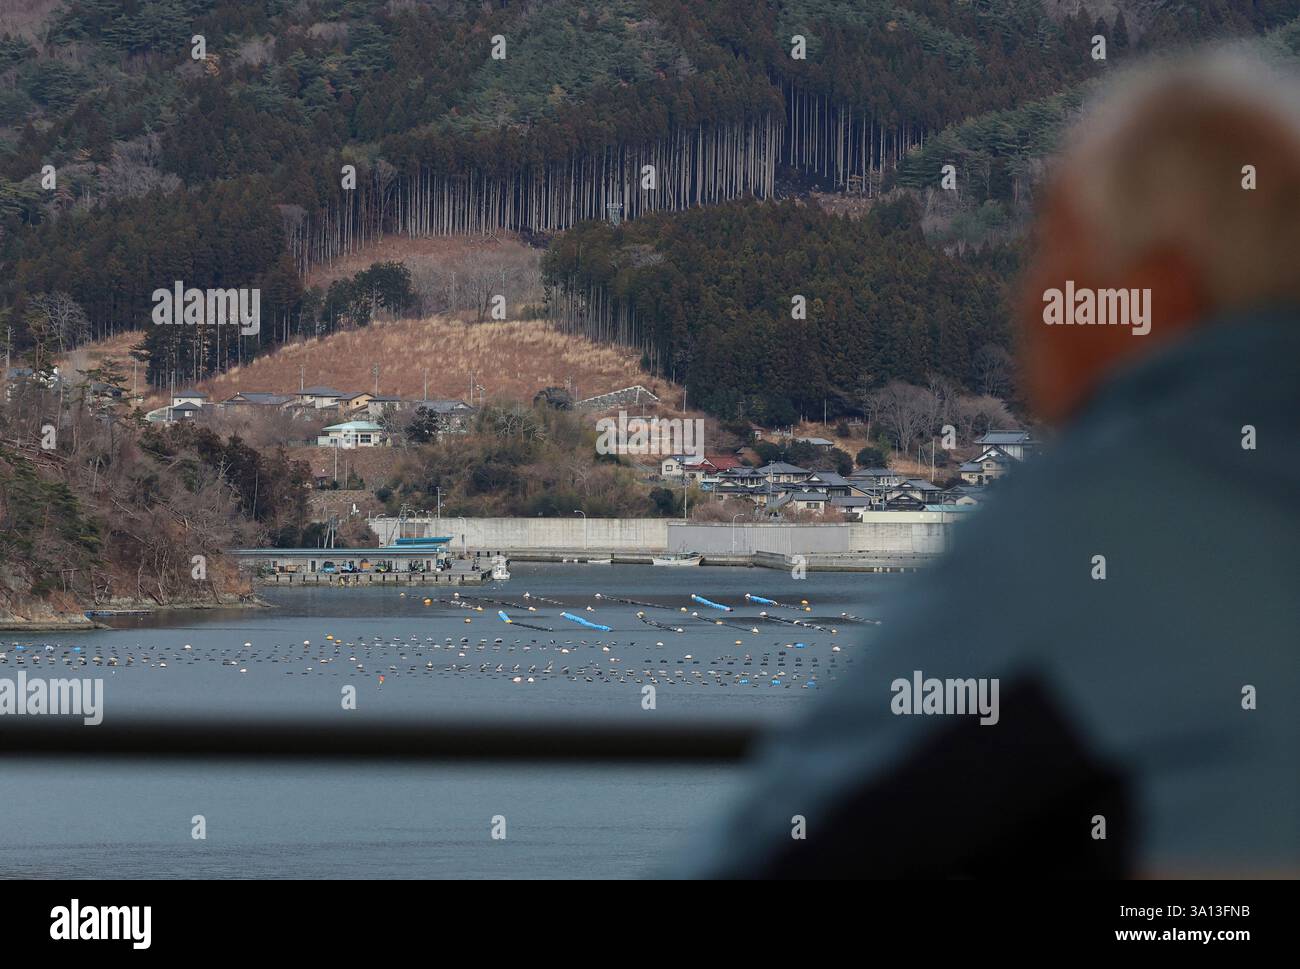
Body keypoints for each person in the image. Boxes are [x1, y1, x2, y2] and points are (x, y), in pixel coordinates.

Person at [683, 49, 1300, 878]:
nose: (1032, 300)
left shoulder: (1094, 517)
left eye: (1058, 256)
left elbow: (795, 841)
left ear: (1160, 292)